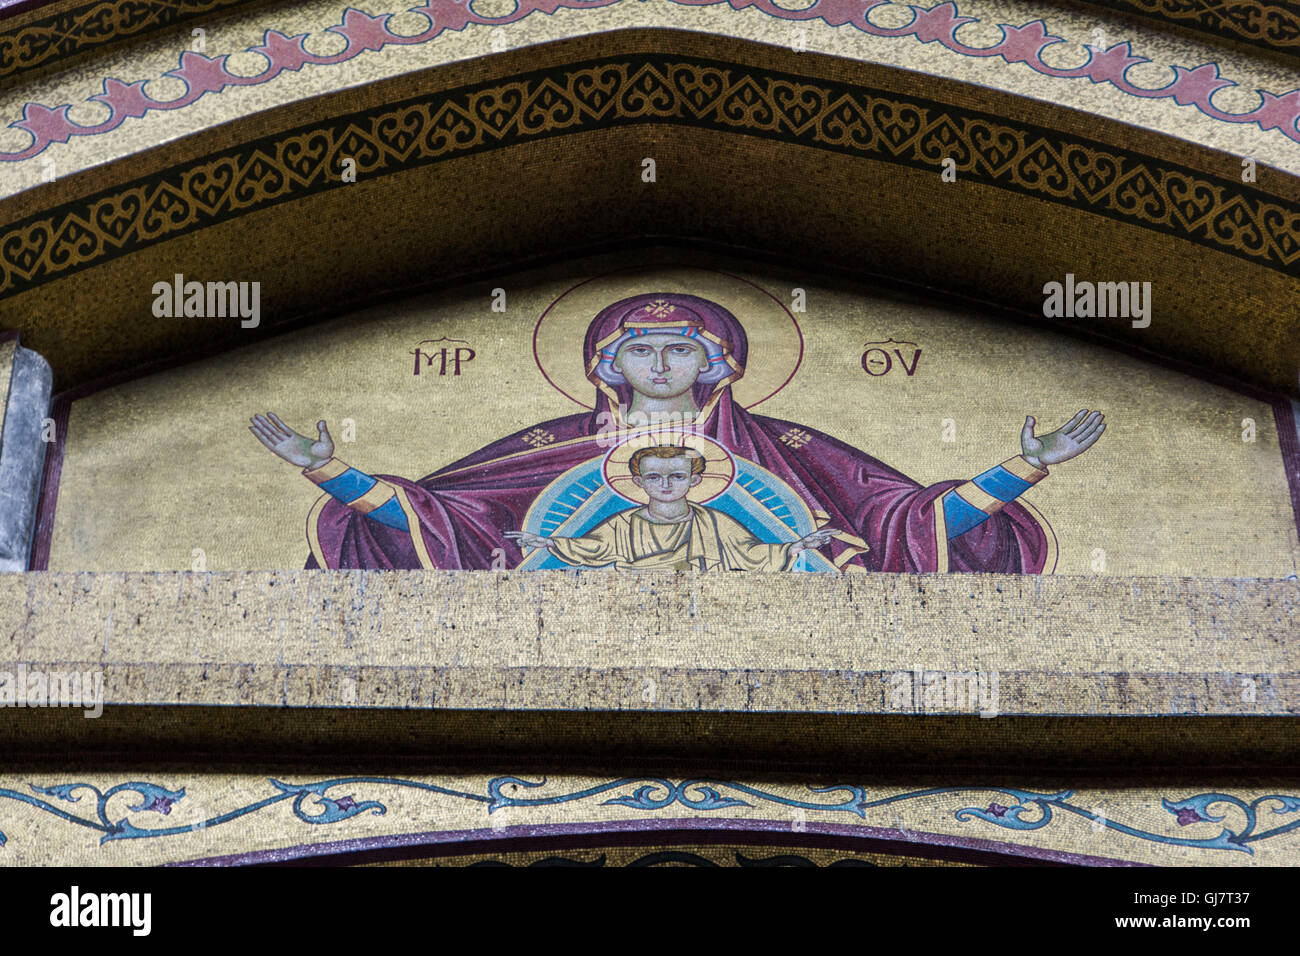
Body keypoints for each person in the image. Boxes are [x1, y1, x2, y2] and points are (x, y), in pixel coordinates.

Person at [250, 292, 1104, 572]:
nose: (660, 364)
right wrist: (334, 474)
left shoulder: (791, 453)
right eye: (641, 351)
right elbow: (456, 527)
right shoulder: (550, 451)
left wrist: (1017, 471)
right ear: (608, 368)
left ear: (719, 364)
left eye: (679, 349)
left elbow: (901, 529)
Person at [504, 445, 838, 571]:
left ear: (695, 481)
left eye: (677, 476)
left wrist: (795, 547)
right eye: (654, 477)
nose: (665, 485)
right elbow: (593, 548)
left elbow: (750, 553)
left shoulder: (713, 521)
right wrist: (550, 543)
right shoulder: (623, 523)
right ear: (638, 482)